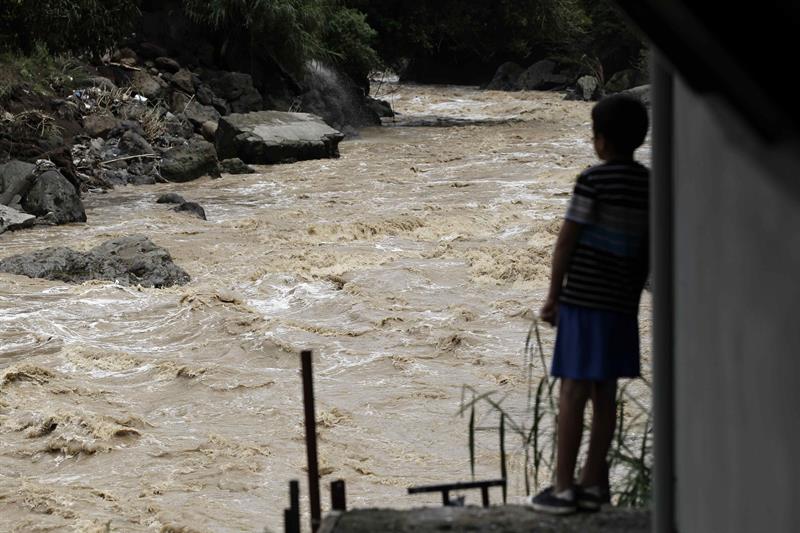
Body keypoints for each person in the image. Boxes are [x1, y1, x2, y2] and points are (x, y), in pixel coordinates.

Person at [530, 94, 650, 514]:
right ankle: (594, 484)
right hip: (621, 306)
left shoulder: (592, 181)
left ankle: (562, 489)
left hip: (583, 302)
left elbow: (566, 240)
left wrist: (553, 295)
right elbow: (649, 250)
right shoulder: (647, 184)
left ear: (600, 141)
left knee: (572, 392)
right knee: (604, 394)